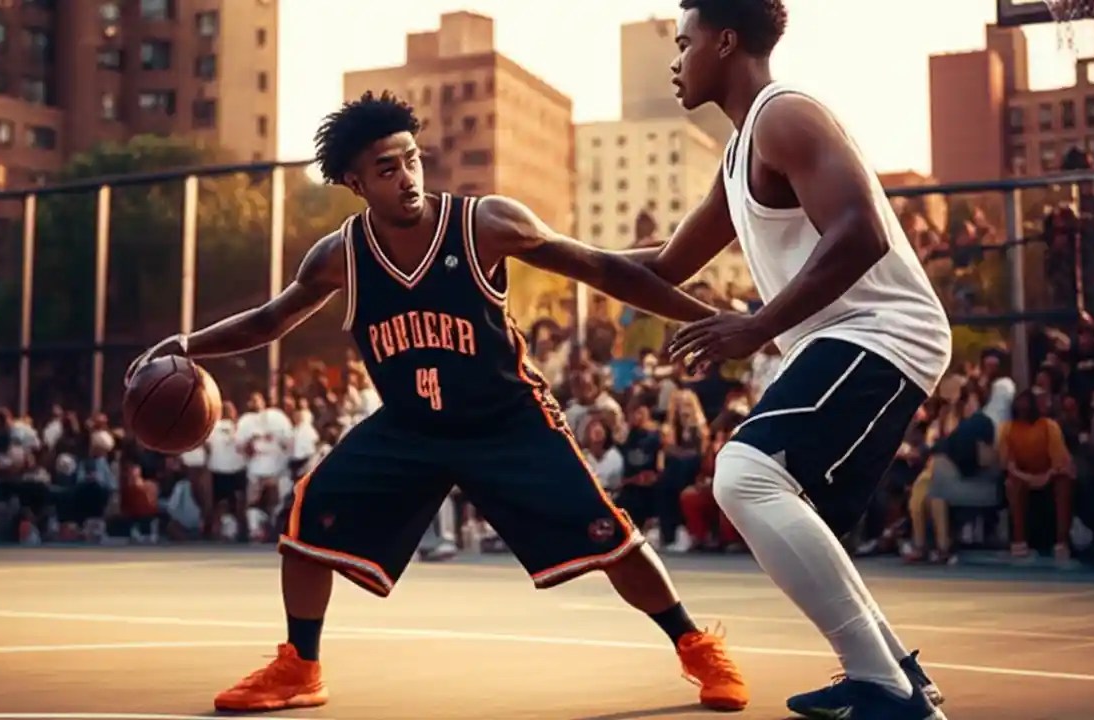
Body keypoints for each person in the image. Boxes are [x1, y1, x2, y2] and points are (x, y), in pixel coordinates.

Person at [127, 91, 747, 713]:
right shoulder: (340, 255)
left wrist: (720, 323)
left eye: (412, 160)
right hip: (410, 428)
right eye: (387, 169)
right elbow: (268, 321)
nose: (407, 179)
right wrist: (184, 344)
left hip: (507, 421)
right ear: (356, 183)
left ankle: (696, 646)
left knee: (609, 538)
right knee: (306, 517)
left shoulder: (486, 223)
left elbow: (605, 270)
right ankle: (300, 667)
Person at [618, 1, 952, 718]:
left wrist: (756, 326)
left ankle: (882, 683)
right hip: (842, 337)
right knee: (764, 486)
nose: (675, 61)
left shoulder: (785, 115)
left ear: (725, 41)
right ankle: (891, 672)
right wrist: (539, 255)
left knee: (745, 472)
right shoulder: (740, 154)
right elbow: (665, 265)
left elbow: (860, 232)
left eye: (684, 43)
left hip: (882, 327)